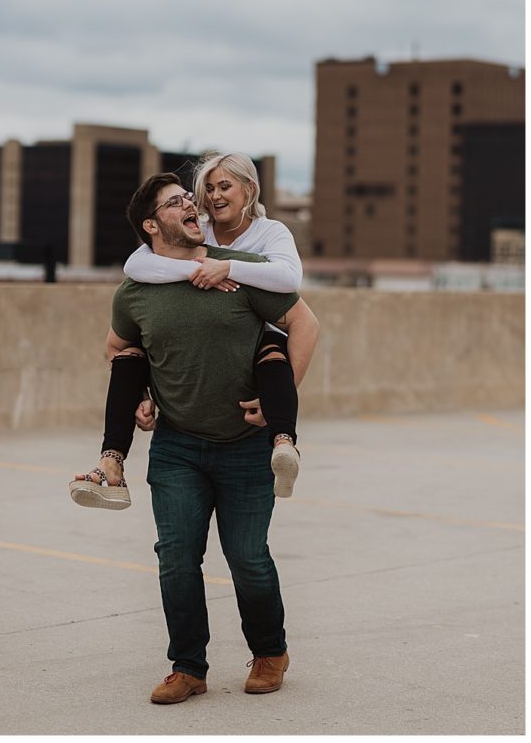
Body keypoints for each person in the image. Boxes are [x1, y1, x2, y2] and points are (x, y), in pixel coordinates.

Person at [104, 172, 319, 702]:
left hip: (245, 446)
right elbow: (117, 347)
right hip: (177, 446)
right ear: (152, 225)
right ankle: (188, 667)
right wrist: (142, 395)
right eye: (176, 202)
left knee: (248, 558)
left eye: (189, 197)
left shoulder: (238, 269)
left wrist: (279, 399)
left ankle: (269, 653)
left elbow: (303, 322)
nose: (192, 205)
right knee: (176, 558)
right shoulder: (136, 292)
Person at [70, 152, 302, 510]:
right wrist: (197, 269)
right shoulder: (199, 231)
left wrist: (227, 268)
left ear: (250, 189)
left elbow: (290, 280)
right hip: (178, 434)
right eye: (207, 189)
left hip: (262, 335)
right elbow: (138, 264)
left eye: (224, 186)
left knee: (272, 349)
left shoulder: (270, 233)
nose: (212, 196)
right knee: (130, 355)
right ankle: (111, 464)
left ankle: (284, 442)